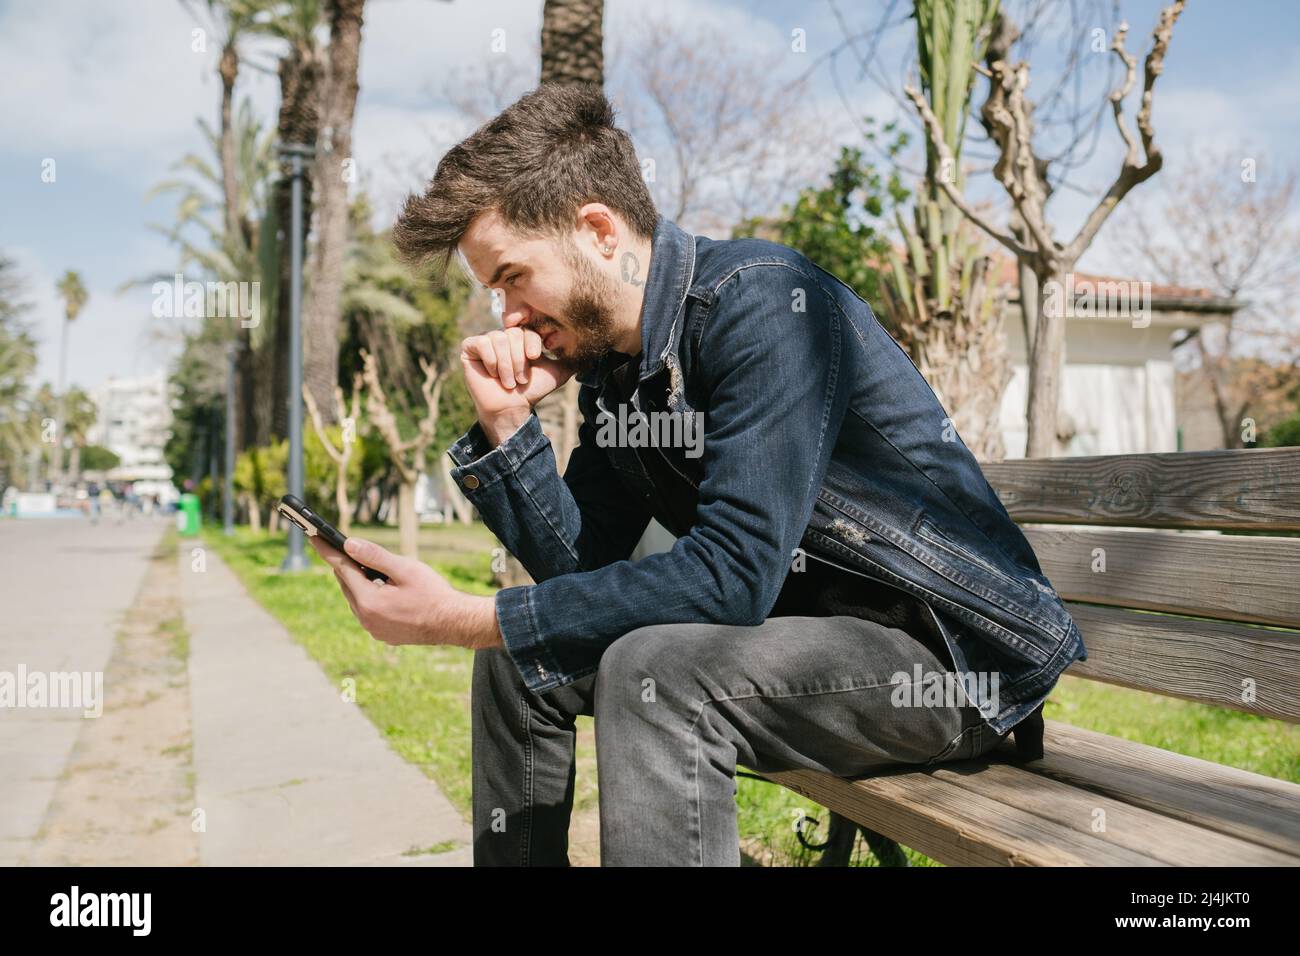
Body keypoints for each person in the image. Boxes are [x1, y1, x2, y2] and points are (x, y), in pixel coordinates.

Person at [308, 84, 1086, 867]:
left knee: (659, 674)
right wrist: (509, 429)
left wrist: (466, 616)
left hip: (951, 657)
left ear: (598, 230)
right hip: (806, 647)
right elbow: (583, 572)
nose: (506, 315)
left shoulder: (764, 304)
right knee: (520, 662)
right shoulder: (622, 372)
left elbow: (732, 575)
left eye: (512, 277)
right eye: (495, 290)